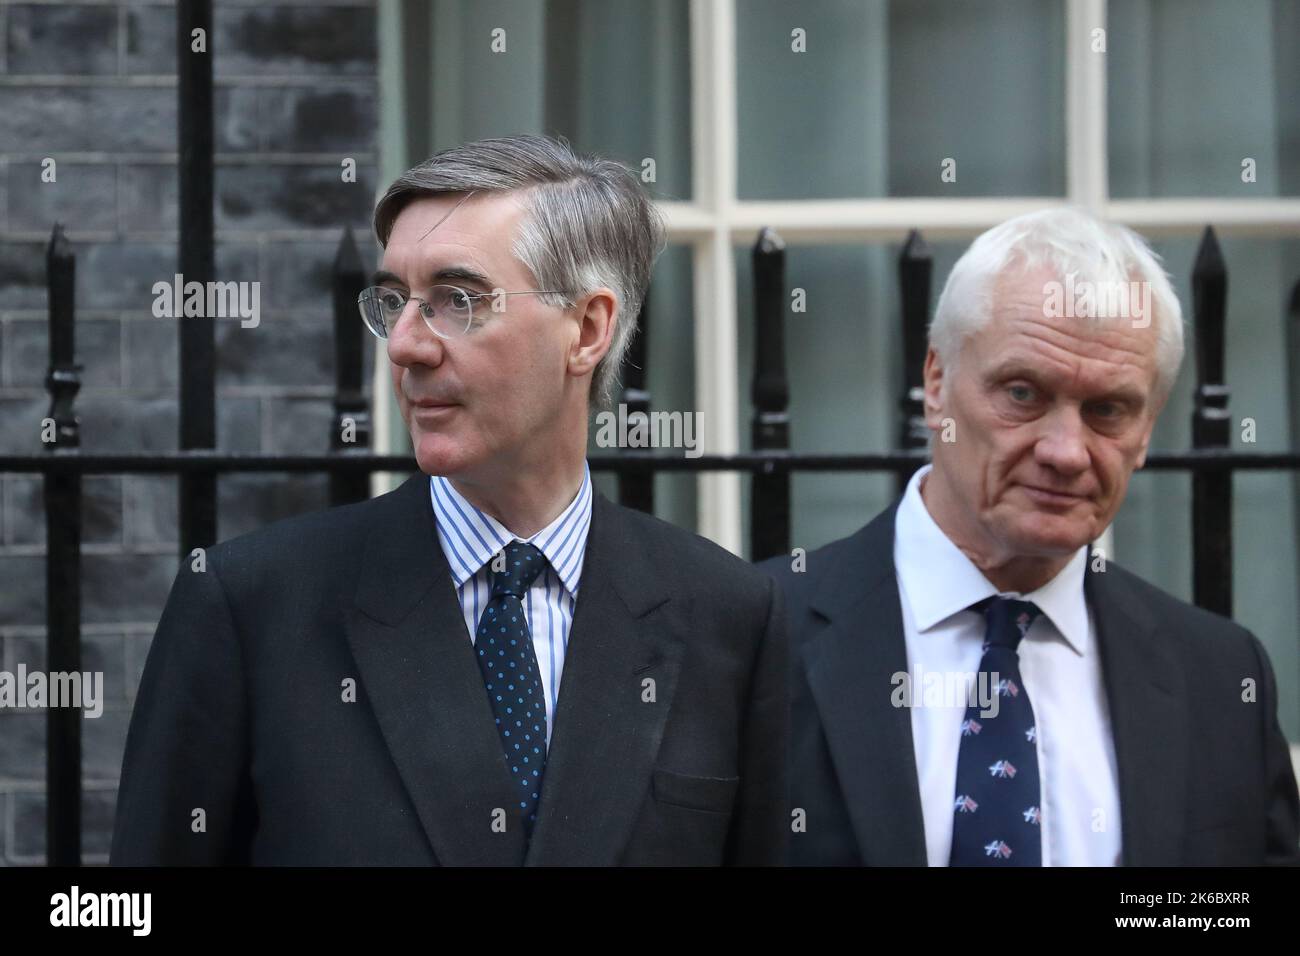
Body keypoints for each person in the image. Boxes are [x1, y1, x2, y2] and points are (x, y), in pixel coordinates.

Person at [111, 134, 787, 866]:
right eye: (395, 301)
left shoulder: (728, 614)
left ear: (588, 329)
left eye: (457, 300)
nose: (406, 345)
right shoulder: (252, 607)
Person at [764, 208, 1300, 866]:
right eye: (1023, 393)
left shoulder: (1220, 678)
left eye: (1108, 409)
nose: (1066, 451)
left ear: (1148, 429)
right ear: (936, 383)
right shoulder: (748, 638)